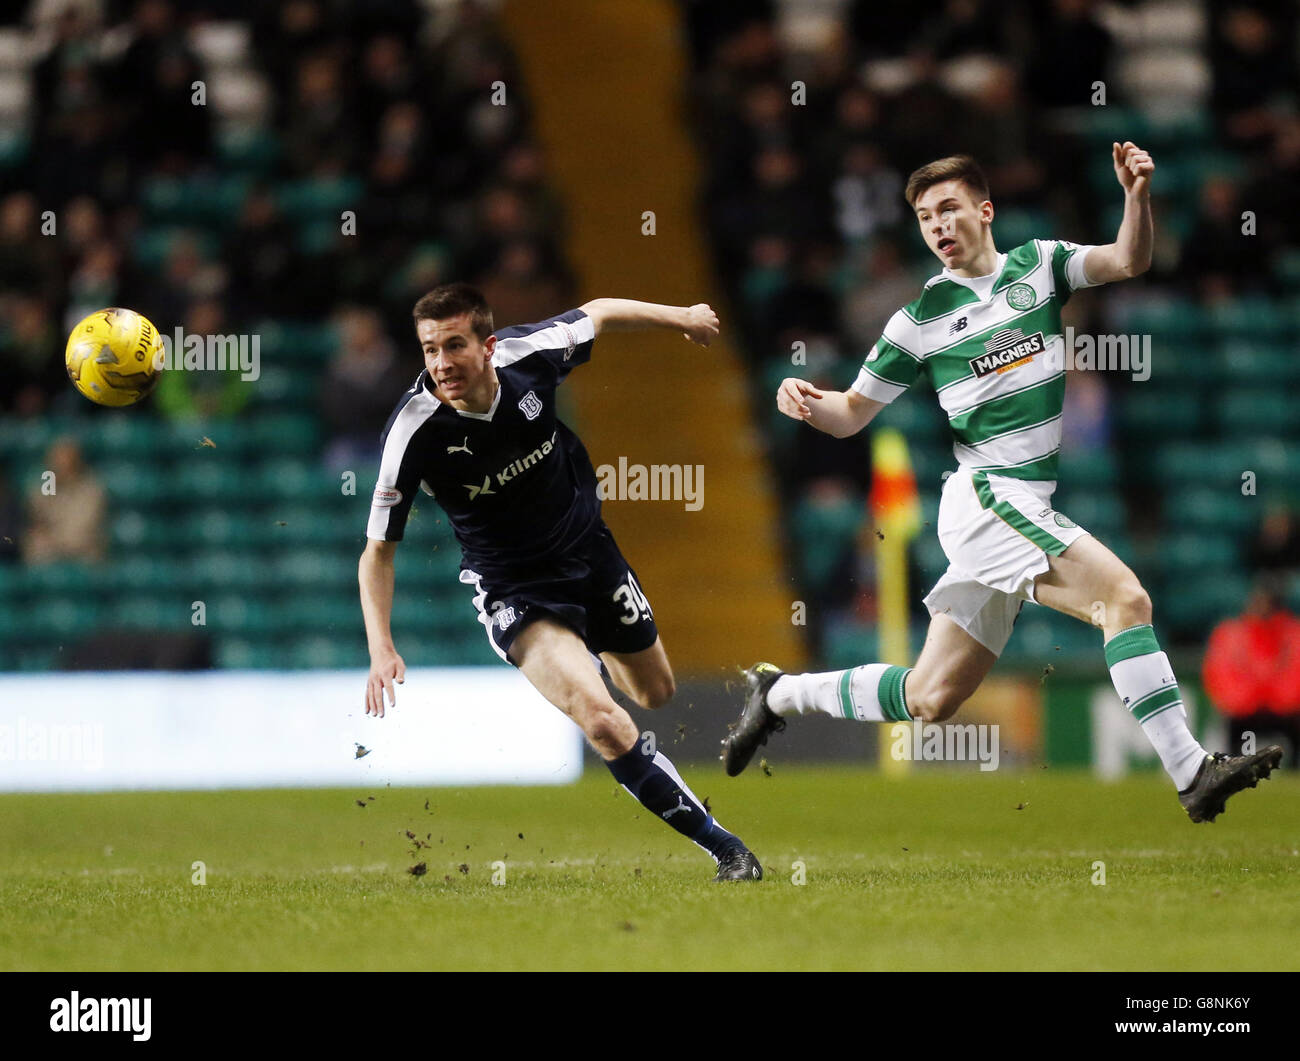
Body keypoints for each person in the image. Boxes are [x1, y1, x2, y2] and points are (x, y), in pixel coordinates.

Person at [722, 146, 1283, 823]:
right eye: (926, 216)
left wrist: (1136, 196)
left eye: (949, 208)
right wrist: (808, 402)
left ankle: (777, 694)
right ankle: (1192, 771)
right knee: (1125, 600)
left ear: (985, 211)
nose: (938, 225)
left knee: (931, 696)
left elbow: (1128, 261)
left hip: (1021, 502)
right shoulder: (919, 320)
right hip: (988, 497)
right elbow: (851, 414)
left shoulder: (1039, 267)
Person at [359, 283, 762, 881]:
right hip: (515, 590)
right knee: (603, 719)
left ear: (489, 345)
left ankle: (591, 650)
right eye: (428, 349)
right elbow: (377, 553)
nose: (441, 363)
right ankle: (725, 848)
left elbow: (601, 311)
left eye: (454, 345)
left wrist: (681, 316)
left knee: (656, 693)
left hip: (591, 555)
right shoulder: (413, 431)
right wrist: (381, 647)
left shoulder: (531, 354)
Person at [1203, 579, 1300, 768]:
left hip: (1283, 710)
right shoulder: (1232, 633)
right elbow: (1219, 672)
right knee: (1233, 736)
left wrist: (1278, 699)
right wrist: (1244, 700)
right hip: (1244, 709)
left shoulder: (1292, 634)